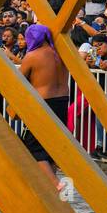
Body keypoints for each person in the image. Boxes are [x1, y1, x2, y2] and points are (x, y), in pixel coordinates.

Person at [17, 23, 69, 191]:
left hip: (44, 104)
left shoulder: (33, 56)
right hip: (62, 101)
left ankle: (56, 185)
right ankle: (58, 189)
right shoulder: (61, 55)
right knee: (54, 149)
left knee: (33, 148)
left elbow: (17, 81)